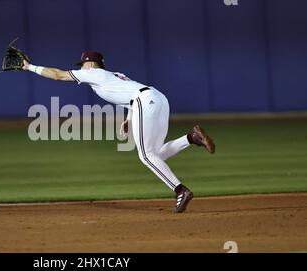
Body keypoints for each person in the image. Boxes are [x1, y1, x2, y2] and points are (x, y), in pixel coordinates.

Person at [22, 51, 215, 213]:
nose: (81, 67)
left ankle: (181, 190)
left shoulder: (93, 73)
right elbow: (132, 93)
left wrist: (29, 67)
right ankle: (191, 137)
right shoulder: (116, 74)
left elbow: (57, 75)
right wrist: (129, 119)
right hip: (158, 99)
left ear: (90, 64)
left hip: (144, 102)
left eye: (82, 64)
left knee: (146, 156)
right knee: (156, 154)